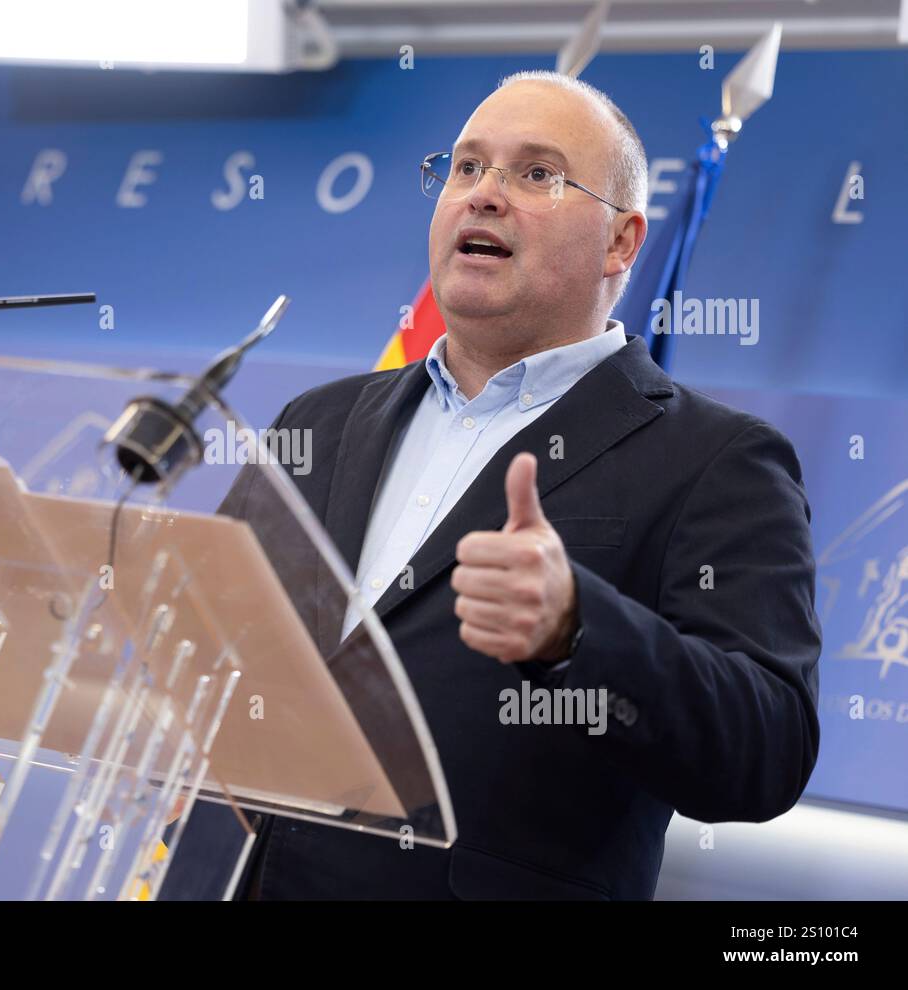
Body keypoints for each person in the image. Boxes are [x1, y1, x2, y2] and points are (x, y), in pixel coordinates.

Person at [208, 70, 821, 900]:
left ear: (621, 244)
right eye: (465, 167)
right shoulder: (316, 420)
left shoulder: (720, 460)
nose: (483, 195)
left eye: (537, 174)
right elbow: (209, 640)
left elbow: (767, 749)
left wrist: (580, 629)